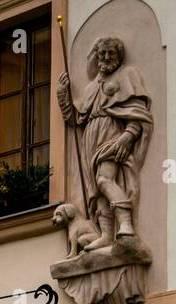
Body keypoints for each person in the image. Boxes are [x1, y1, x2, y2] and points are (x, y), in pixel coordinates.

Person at [57, 36, 153, 251]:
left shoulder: (127, 76)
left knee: (104, 180)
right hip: (90, 139)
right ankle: (107, 234)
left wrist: (127, 137)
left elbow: (137, 113)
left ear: (118, 56)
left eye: (111, 53)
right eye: (102, 54)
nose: (106, 57)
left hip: (112, 134)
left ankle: (126, 224)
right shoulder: (92, 87)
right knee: (96, 191)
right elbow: (76, 118)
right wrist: (63, 95)